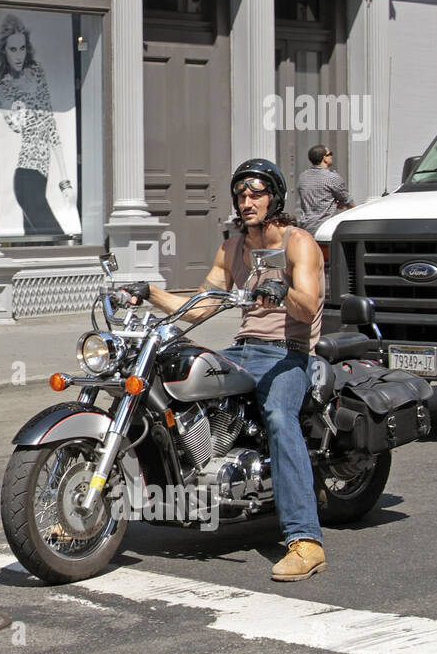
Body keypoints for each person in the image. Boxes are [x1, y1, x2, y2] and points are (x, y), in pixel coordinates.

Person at [121, 158, 327, 582]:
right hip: (244, 348)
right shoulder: (233, 246)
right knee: (175, 382)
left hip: (288, 352)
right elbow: (200, 305)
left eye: (255, 193)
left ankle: (305, 540)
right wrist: (149, 291)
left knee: (278, 417)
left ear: (274, 198)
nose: (247, 201)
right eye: (241, 195)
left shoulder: (297, 242)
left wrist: (282, 290)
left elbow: (307, 309)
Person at [0, 14, 74, 236]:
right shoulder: (3, 86)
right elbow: (16, 125)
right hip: (26, 176)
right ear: (5, 52)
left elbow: (50, 124)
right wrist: (15, 108)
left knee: (36, 243)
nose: (18, 55)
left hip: (42, 177)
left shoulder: (37, 73)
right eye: (13, 50)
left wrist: (65, 181)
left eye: (22, 48)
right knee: (57, 238)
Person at [297, 144, 353, 235]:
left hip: (305, 229)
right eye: (330, 153)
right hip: (324, 229)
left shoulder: (302, 176)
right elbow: (348, 201)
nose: (331, 156)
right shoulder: (332, 177)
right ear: (325, 158)